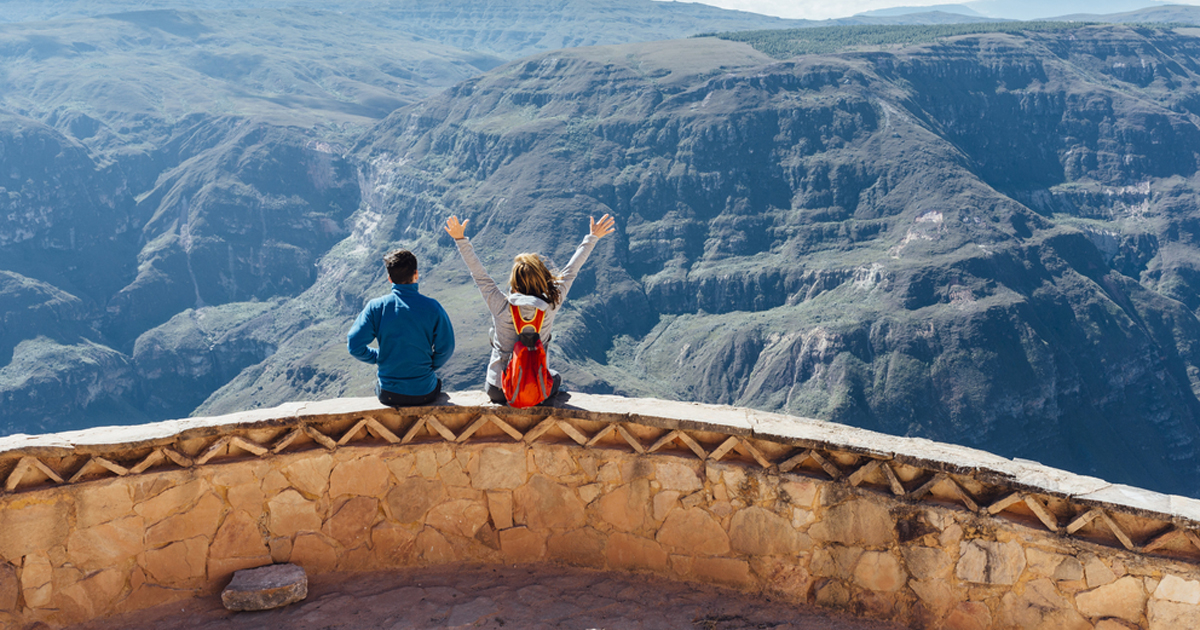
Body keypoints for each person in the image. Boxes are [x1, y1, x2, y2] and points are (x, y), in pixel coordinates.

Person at [444, 213, 616, 404]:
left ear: (514, 281)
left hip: (498, 389)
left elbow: (479, 275)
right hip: (536, 389)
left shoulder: (501, 306)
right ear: (542, 279)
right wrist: (592, 238)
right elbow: (570, 272)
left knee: (500, 381)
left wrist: (460, 239)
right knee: (555, 377)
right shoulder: (550, 305)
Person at [347, 248, 455, 407]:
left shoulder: (377, 307)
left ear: (389, 279)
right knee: (436, 384)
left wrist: (379, 357)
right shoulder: (433, 307)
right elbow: (446, 347)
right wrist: (430, 364)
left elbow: (354, 345)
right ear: (416, 274)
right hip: (425, 393)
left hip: (389, 395)